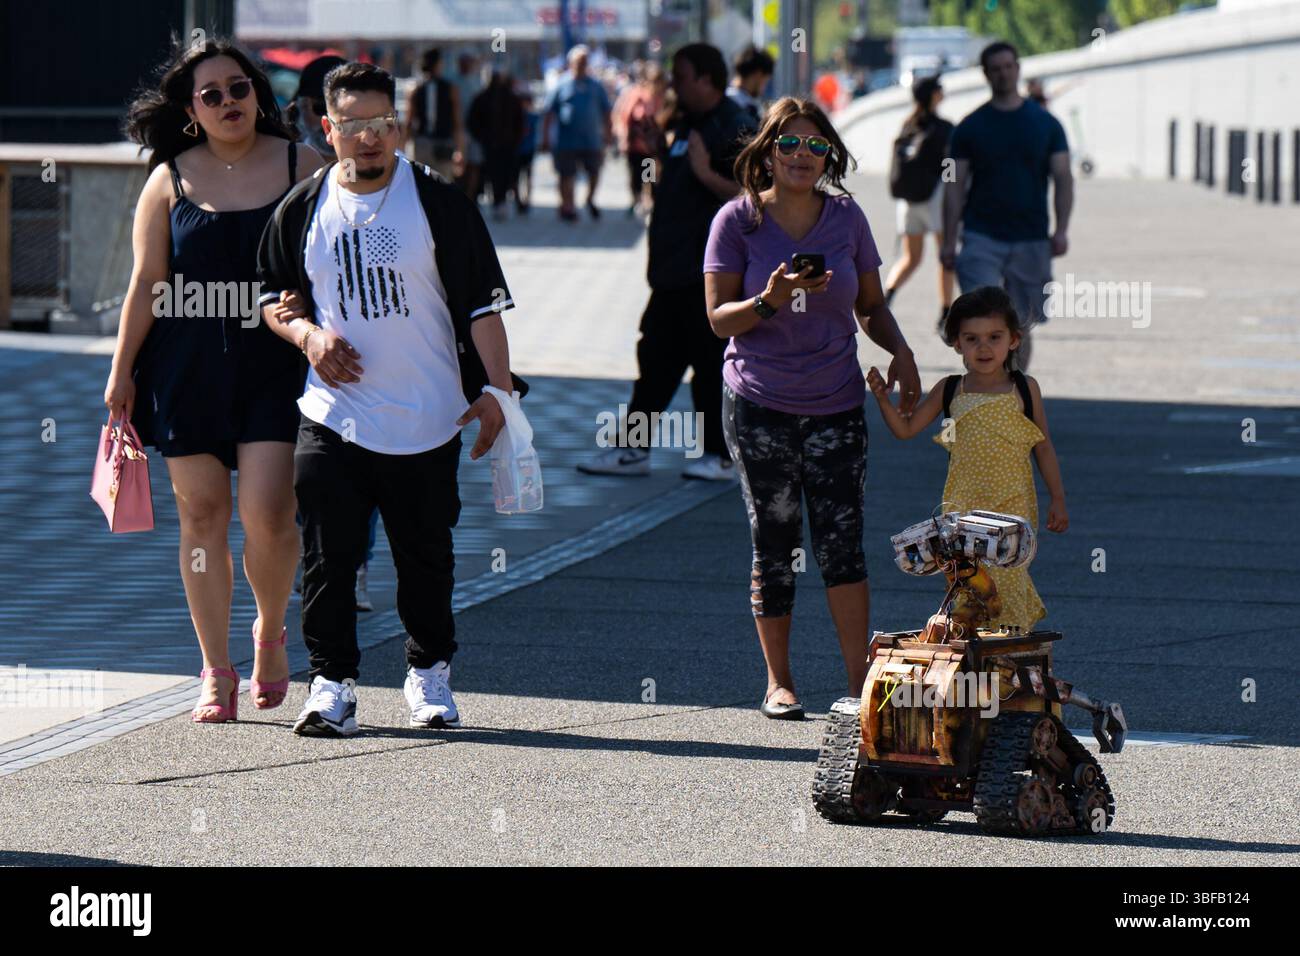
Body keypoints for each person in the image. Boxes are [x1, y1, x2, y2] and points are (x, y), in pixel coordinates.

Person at [257, 62, 524, 736]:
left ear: (397, 126)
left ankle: (429, 673)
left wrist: (497, 392)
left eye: (381, 124)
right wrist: (309, 338)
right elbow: (271, 300)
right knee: (329, 557)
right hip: (332, 415)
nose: (369, 138)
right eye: (353, 126)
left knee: (424, 558)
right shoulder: (302, 207)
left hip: (427, 418)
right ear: (328, 128)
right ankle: (331, 686)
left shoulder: (440, 204)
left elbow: (482, 309)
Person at [107, 38, 325, 723]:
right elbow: (145, 284)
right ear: (192, 112)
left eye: (240, 88)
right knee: (201, 515)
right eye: (212, 95)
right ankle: (214, 667)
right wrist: (119, 376)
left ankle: (268, 632)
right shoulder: (169, 179)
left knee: (268, 511)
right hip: (185, 369)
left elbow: (335, 269)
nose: (230, 101)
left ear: (259, 93)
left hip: (276, 366)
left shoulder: (305, 166)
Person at [704, 97, 921, 719]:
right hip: (759, 402)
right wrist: (770, 300)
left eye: (817, 146)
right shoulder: (736, 222)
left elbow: (872, 306)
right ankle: (779, 681)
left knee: (842, 542)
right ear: (768, 150)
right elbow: (719, 321)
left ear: (831, 155)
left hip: (836, 403)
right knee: (772, 539)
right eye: (791, 144)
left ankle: (860, 683)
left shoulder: (847, 218)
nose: (804, 156)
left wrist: (902, 352)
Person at [578, 44, 756, 482]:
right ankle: (633, 449)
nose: (673, 84)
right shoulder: (686, 124)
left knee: (707, 367)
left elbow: (751, 197)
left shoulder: (733, 125)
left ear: (706, 79)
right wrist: (661, 155)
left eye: (682, 75)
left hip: (706, 277)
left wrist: (702, 171)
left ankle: (720, 455)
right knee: (655, 362)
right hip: (673, 273)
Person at [865, 285, 1068, 632]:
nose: (984, 347)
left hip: (1011, 505)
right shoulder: (950, 388)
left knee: (1008, 581)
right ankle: (976, 664)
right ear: (957, 344)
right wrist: (883, 399)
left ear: (1014, 340)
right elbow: (906, 429)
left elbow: (1043, 446)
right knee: (968, 588)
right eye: (971, 339)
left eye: (994, 336)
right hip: (961, 508)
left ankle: (1011, 659)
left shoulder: (1023, 388)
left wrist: (1058, 498)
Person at [940, 41, 1073, 370]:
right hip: (981, 235)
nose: (1003, 74)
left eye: (1008, 67)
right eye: (996, 69)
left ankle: (1014, 390)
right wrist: (948, 239)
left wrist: (1062, 230)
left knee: (1020, 325)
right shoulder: (969, 128)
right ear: (986, 74)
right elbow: (954, 185)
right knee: (982, 319)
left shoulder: (1046, 124)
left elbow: (1064, 178)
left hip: (1031, 236)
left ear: (1018, 69)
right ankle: (986, 391)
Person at [884, 76, 954, 330]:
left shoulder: (907, 125)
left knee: (911, 258)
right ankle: (946, 313)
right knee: (945, 256)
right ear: (934, 96)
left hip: (908, 202)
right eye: (940, 89)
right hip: (934, 198)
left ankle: (886, 296)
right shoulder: (944, 128)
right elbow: (951, 168)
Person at [540, 45, 612, 221]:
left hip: (591, 140)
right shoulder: (560, 84)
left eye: (585, 61)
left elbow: (606, 112)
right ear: (571, 63)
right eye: (579, 62)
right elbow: (548, 113)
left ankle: (589, 199)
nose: (582, 65)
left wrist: (608, 134)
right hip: (566, 141)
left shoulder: (596, 86)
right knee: (566, 174)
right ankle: (568, 205)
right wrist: (545, 137)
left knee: (594, 172)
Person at [468, 71, 525, 220]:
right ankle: (492, 202)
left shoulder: (512, 99)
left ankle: (500, 202)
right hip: (490, 146)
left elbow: (520, 123)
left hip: (506, 147)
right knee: (488, 176)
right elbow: (473, 122)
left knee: (505, 176)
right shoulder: (482, 98)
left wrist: (515, 140)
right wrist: (483, 138)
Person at [613, 62, 667, 217]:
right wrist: (623, 138)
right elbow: (624, 117)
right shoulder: (636, 95)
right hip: (635, 145)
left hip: (652, 148)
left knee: (649, 175)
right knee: (635, 175)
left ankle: (648, 201)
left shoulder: (663, 97)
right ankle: (636, 200)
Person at [403, 47, 463, 181]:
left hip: (421, 143)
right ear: (438, 64)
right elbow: (457, 122)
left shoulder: (415, 88)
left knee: (420, 185)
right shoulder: (450, 89)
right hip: (443, 143)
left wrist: (403, 147)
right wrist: (460, 149)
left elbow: (409, 121)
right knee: (442, 185)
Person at [287, 54, 345, 157]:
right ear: (302, 107)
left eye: (342, 108)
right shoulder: (288, 163)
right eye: (321, 106)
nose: (331, 119)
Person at [451, 52, 485, 198]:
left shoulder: (477, 83)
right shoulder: (452, 81)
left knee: (474, 163)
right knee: (457, 163)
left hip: (474, 130)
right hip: (457, 130)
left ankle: (471, 196)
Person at [727, 45, 773, 123]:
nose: (764, 87)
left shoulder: (726, 100)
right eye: (765, 81)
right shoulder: (740, 106)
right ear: (758, 75)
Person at [514, 86, 539, 214]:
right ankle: (518, 200)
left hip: (529, 150)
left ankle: (527, 200)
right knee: (516, 177)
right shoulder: (514, 117)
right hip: (517, 151)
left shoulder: (533, 117)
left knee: (528, 177)